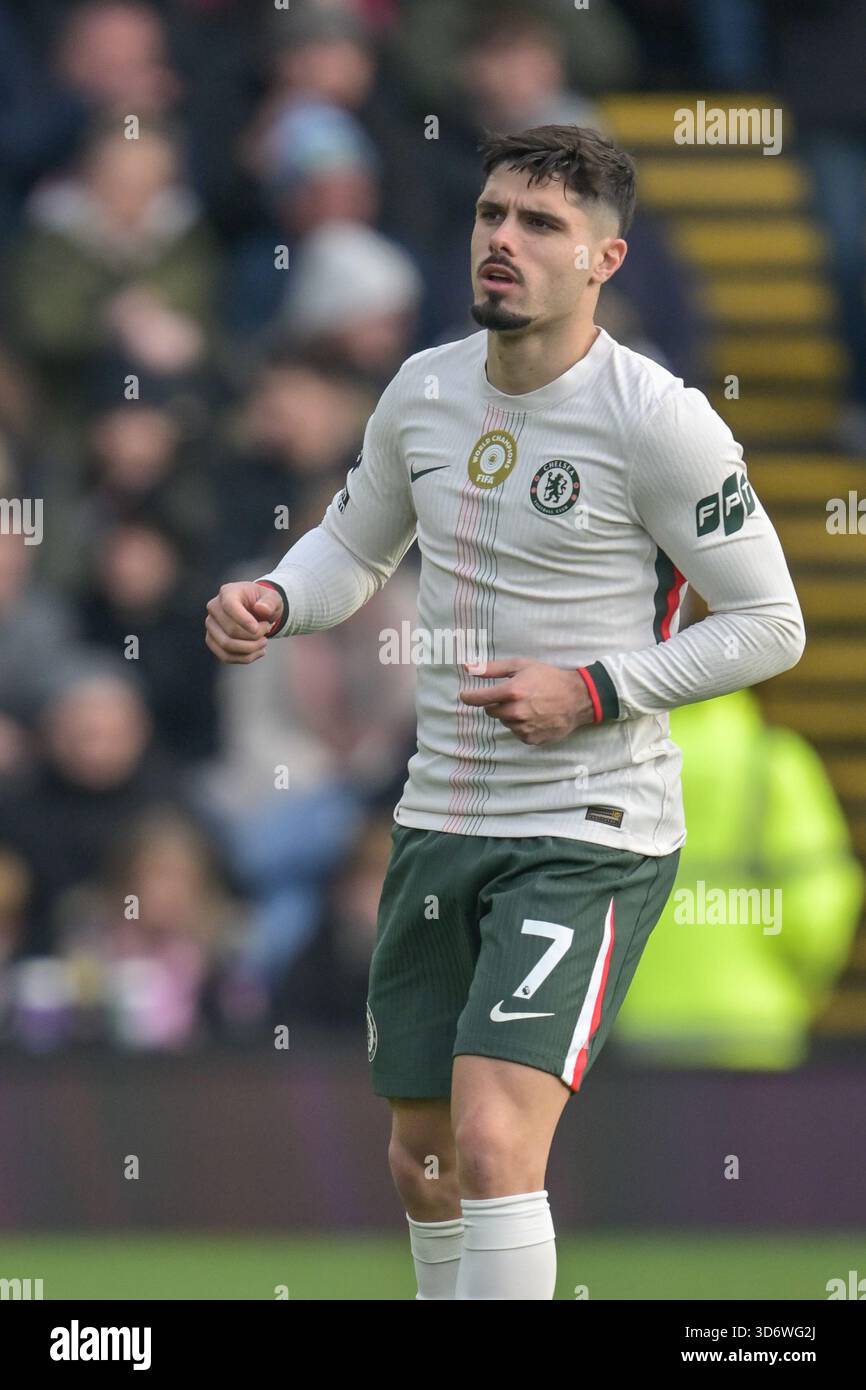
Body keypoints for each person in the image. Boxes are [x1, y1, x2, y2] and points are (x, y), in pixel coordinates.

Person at [204, 125, 806, 1301]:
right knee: (423, 1163)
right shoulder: (422, 391)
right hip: (440, 812)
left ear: (604, 260)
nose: (502, 241)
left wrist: (592, 688)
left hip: (587, 826)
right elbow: (353, 548)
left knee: (490, 1144)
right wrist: (280, 595)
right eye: (491, 215)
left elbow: (771, 623)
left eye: (540, 226)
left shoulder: (658, 418)